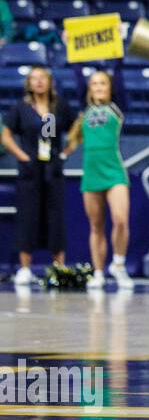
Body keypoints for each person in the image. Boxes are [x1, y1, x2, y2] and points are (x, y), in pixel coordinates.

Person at [2, 67, 77, 286]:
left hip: (53, 170)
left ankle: (58, 267)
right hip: (29, 171)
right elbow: (6, 135)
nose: (38, 82)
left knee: (55, 217)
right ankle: (25, 268)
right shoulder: (21, 108)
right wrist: (22, 156)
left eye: (42, 78)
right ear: (28, 83)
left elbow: (76, 131)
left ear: (50, 81)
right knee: (28, 216)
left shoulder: (59, 107)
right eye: (34, 79)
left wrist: (65, 153)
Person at [64, 69, 133, 289]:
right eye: (94, 83)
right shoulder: (84, 111)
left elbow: (120, 80)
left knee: (120, 220)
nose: (99, 87)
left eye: (103, 83)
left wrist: (118, 56)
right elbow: (77, 78)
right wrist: (73, 56)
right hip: (91, 173)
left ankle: (119, 265)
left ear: (110, 87)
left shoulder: (116, 108)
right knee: (96, 226)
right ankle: (99, 272)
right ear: (89, 89)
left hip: (114, 171)